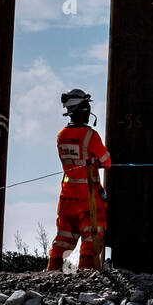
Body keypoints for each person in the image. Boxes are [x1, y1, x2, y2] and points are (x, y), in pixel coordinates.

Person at [47, 89, 111, 271]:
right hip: (88, 197)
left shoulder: (61, 136)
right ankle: (86, 275)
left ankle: (53, 273)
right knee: (92, 238)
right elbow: (107, 161)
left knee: (63, 238)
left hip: (67, 197)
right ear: (83, 109)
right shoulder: (91, 135)